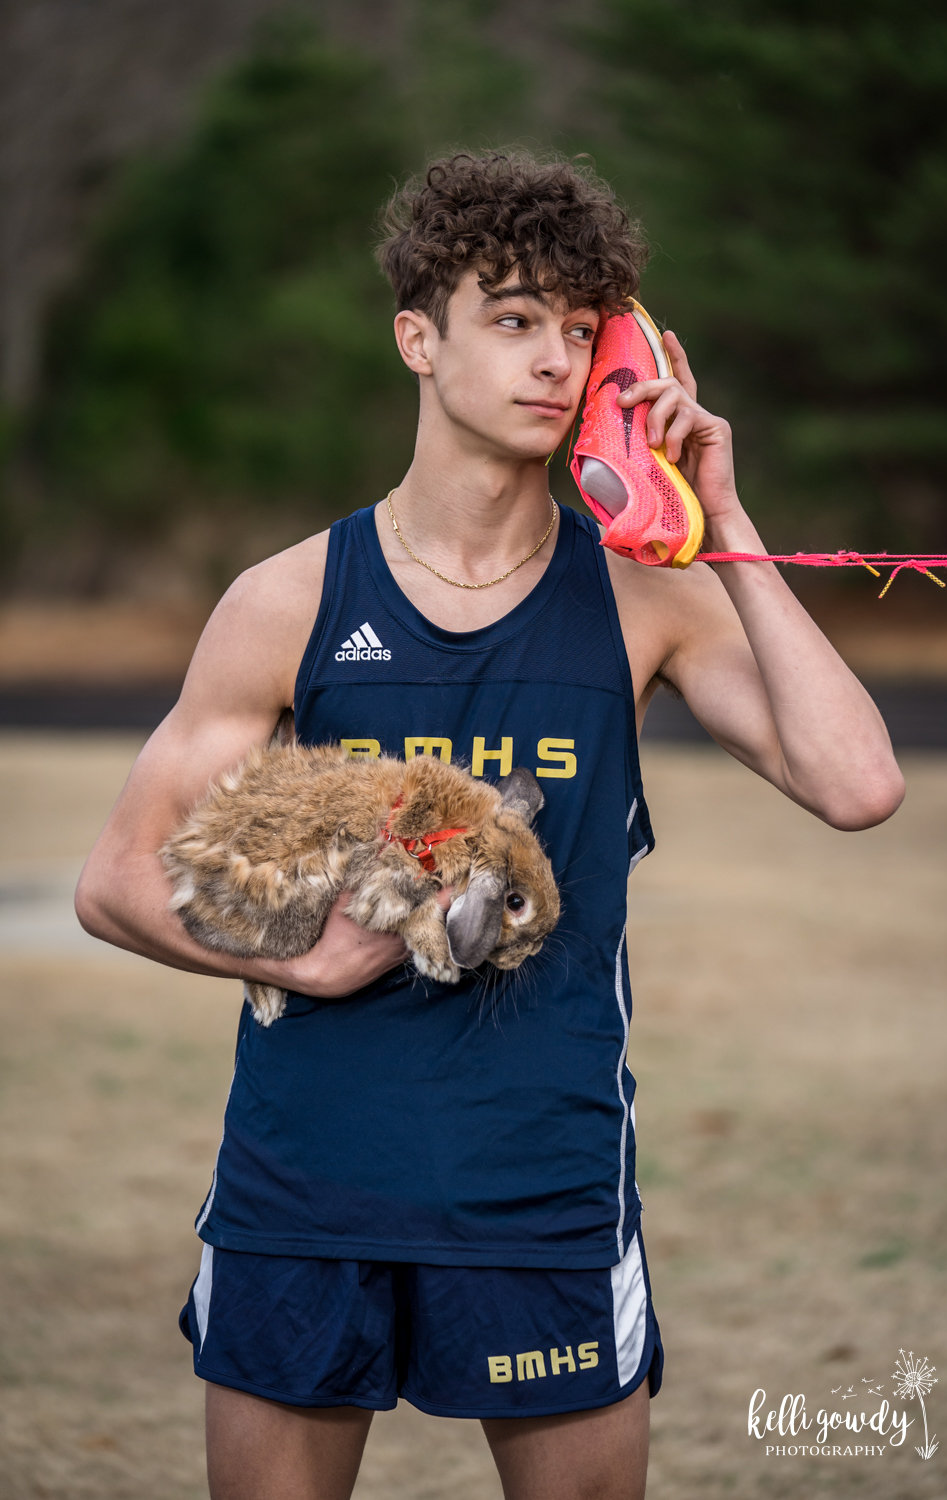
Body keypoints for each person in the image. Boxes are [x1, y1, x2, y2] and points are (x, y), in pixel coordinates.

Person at [75, 149, 904, 1500]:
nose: (556, 362)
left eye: (583, 331)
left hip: (543, 1187)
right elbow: (116, 884)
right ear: (419, 338)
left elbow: (859, 787)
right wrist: (293, 963)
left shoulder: (648, 600)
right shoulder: (289, 598)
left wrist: (725, 521)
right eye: (515, 319)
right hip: (305, 1186)